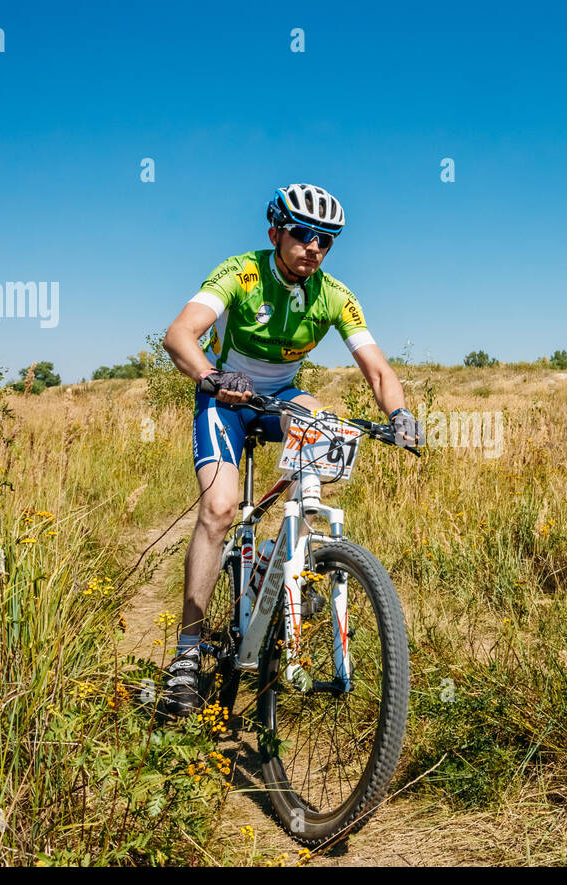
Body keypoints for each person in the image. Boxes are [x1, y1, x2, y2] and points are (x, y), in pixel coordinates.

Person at [159, 183, 423, 717]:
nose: (314, 248)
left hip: (279, 397)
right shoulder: (241, 272)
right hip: (226, 397)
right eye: (303, 235)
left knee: (325, 429)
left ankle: (295, 569)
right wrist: (211, 376)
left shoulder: (334, 295)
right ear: (276, 232)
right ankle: (187, 655)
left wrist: (400, 415)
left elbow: (376, 367)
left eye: (326, 240)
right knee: (219, 509)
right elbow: (179, 334)